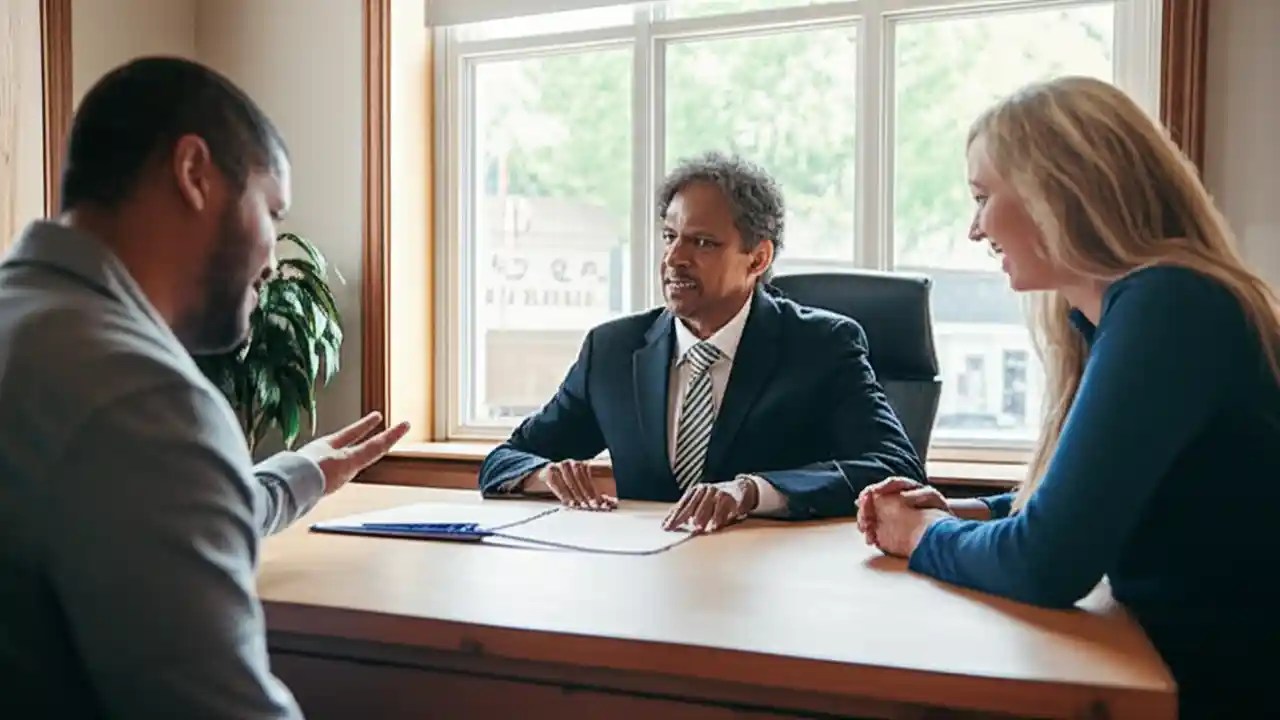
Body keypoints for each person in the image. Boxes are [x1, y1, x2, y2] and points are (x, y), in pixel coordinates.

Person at [855, 76, 1280, 718]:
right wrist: (971, 510)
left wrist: (920, 533)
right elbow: (1095, 501)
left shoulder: (1170, 307)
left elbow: (1047, 563)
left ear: (1057, 189)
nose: (975, 230)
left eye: (982, 197)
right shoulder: (1134, 311)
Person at [0, 57, 410, 719]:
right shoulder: (140, 397)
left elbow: (124, 523)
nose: (275, 257)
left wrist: (302, 473)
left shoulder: (30, 332)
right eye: (271, 211)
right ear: (194, 174)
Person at [479, 151, 924, 533]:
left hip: (776, 590)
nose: (674, 258)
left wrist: (753, 492)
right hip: (642, 582)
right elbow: (505, 460)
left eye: (703, 243)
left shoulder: (821, 346)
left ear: (758, 258)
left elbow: (896, 467)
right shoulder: (613, 351)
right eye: (670, 237)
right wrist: (544, 476)